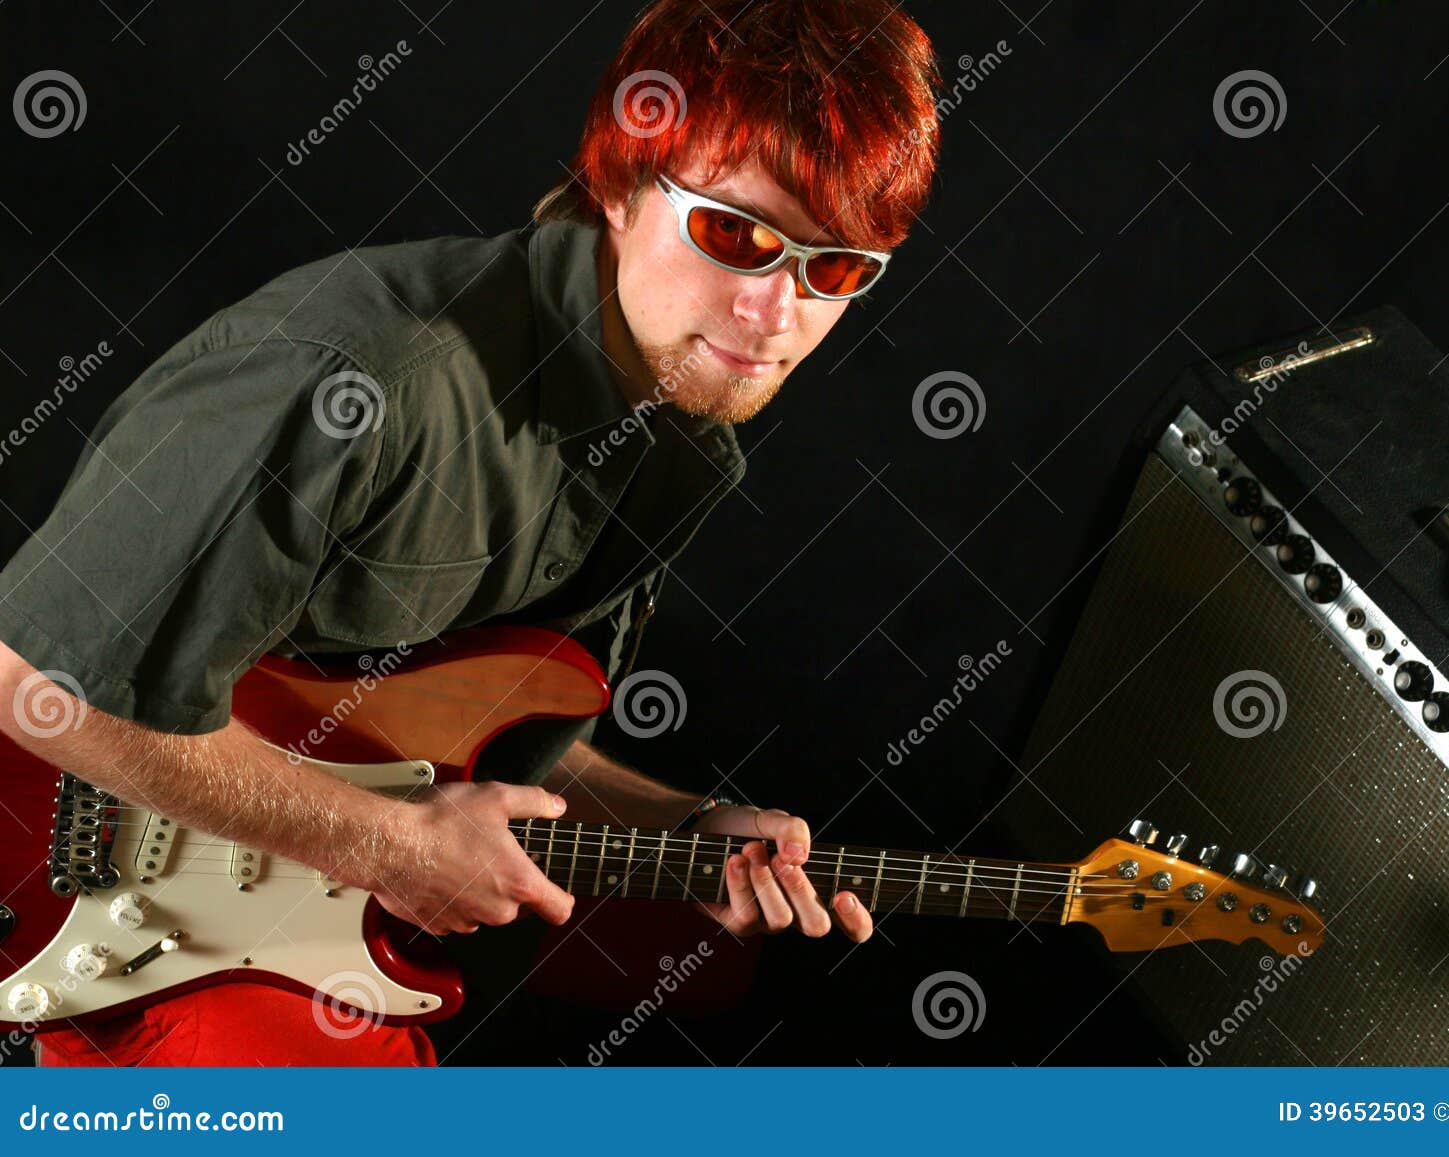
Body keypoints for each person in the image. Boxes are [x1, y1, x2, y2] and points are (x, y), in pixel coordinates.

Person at [0, 0, 941, 1066]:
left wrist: (683, 827)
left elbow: (444, 737)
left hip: (265, 933)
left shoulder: (668, 429)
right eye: (737, 235)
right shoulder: (358, 379)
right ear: (622, 188)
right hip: (66, 898)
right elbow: (41, 684)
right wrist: (390, 843)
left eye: (835, 269)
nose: (775, 311)